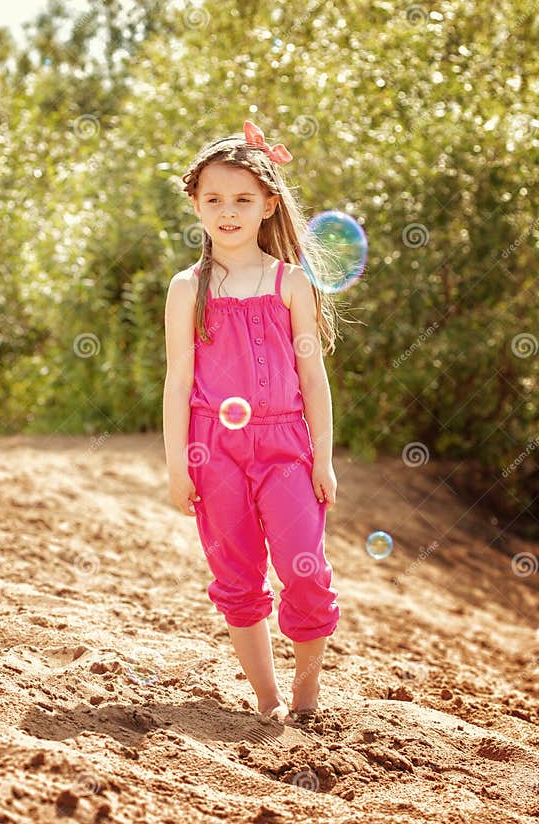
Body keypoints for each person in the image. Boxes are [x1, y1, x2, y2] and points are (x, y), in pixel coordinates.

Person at [163, 118, 344, 726]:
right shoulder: (187, 289)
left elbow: (314, 379)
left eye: (243, 199)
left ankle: (306, 693)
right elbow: (178, 382)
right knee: (237, 578)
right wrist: (176, 466)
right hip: (212, 449)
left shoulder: (291, 281)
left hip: (285, 442)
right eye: (213, 199)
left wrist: (321, 456)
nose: (228, 211)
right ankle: (267, 700)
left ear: (268, 204)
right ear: (195, 204)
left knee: (307, 571)